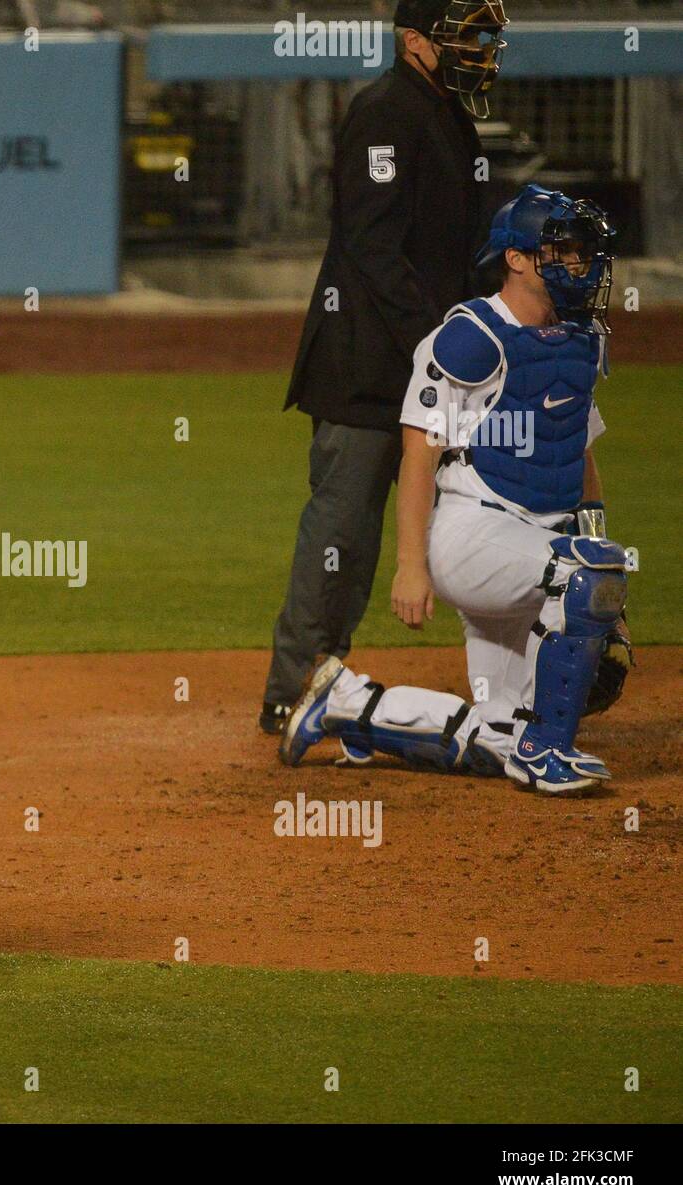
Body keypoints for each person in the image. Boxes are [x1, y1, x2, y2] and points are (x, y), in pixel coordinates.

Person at [278, 184, 632, 796]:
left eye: (582, 252)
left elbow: (581, 449)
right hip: (473, 537)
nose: (580, 264)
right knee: (586, 575)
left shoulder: (581, 340)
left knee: (499, 737)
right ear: (517, 259)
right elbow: (420, 453)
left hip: (539, 549)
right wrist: (411, 566)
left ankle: (347, 704)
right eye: (564, 250)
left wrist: (595, 550)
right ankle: (549, 753)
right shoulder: (469, 337)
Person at [260, 0, 508, 733]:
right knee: (343, 532)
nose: (485, 49)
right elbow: (373, 248)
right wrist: (443, 343)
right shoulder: (384, 114)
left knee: (465, 516)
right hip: (365, 364)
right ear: (414, 43)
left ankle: (520, 680)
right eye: (469, 36)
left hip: (426, 364)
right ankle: (294, 688)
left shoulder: (446, 114)